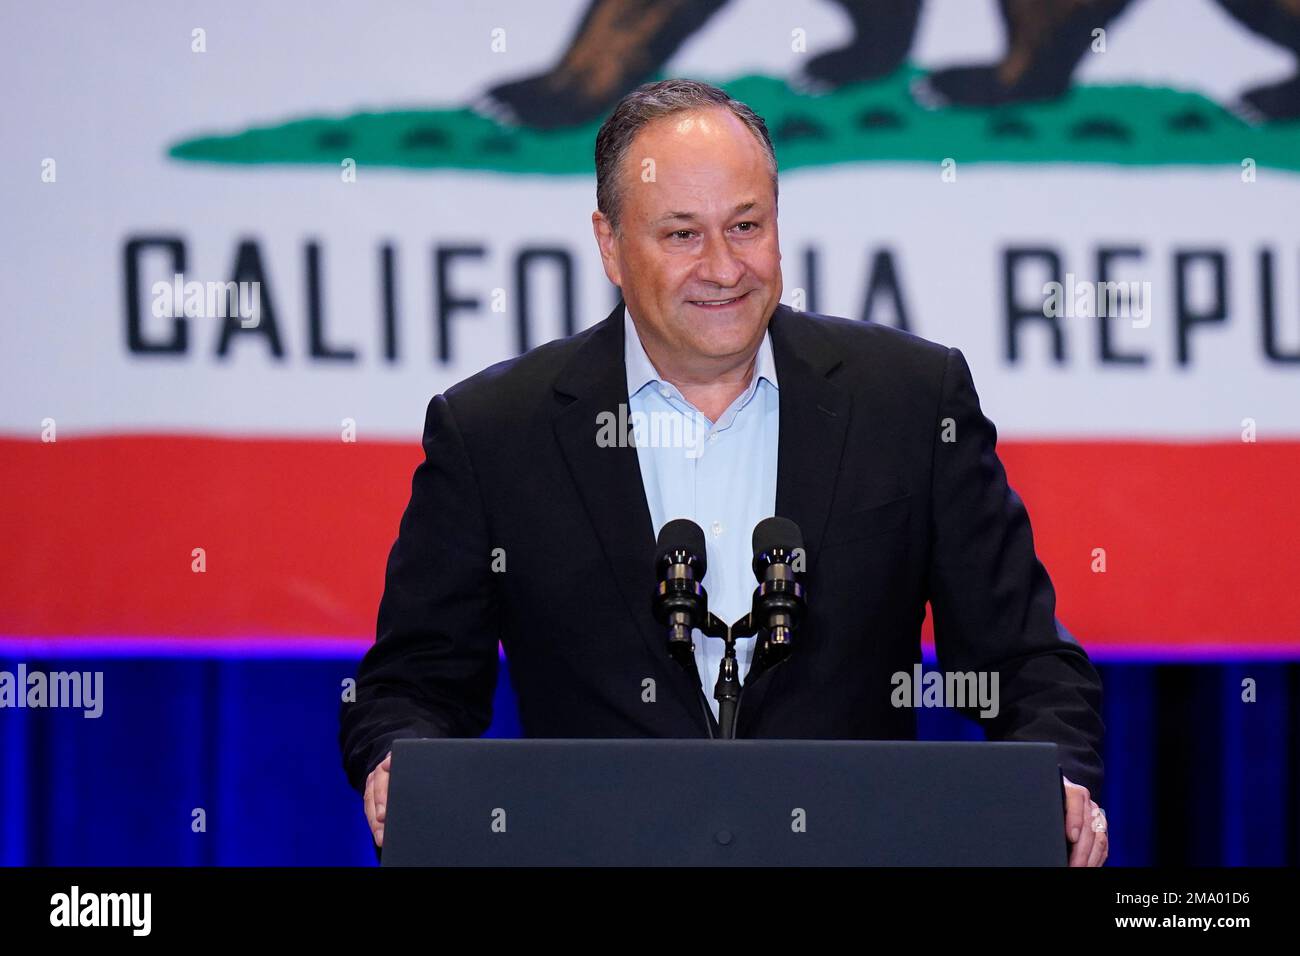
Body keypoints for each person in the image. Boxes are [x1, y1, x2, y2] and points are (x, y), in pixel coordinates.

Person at [340, 78, 1108, 866]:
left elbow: (1025, 663)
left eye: (746, 226)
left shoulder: (909, 401)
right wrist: (399, 760)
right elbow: (414, 682)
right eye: (681, 235)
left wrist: (1058, 778)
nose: (723, 267)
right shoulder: (496, 432)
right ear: (609, 244)